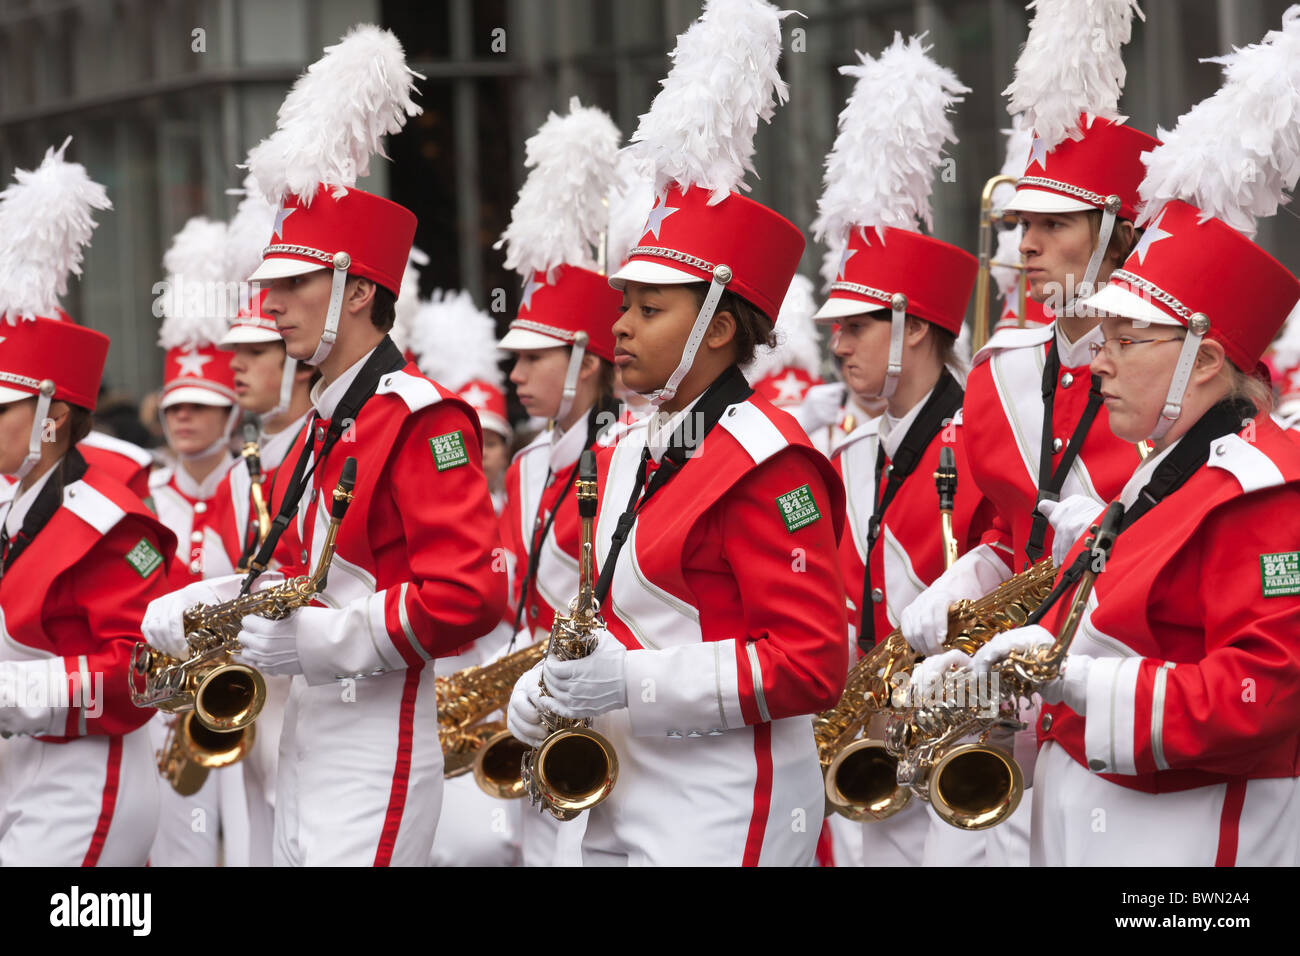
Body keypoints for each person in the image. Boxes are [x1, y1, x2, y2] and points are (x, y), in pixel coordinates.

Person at [920, 7, 1300, 865]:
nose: (1099, 360)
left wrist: (1079, 682)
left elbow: (1264, 695)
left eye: (1127, 342)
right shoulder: (1153, 482)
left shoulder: (1263, 488)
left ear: (1205, 364)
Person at [145, 24, 507, 866]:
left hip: (376, 741)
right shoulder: (321, 424)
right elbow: (305, 579)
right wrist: (216, 604)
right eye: (269, 284)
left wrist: (311, 639)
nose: (269, 305)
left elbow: (464, 596)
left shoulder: (419, 416)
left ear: (353, 291)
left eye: (293, 284)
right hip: (307, 735)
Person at [507, 0, 849, 866]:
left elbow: (811, 663)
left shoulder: (772, 461)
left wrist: (630, 683)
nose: (618, 327)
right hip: (622, 799)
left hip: (727, 812)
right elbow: (622, 617)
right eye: (623, 304)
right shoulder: (627, 444)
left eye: (649, 309)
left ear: (719, 330)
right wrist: (545, 680)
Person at [899, 0, 1155, 865]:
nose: (1028, 245)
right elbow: (1007, 534)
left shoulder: (1168, 367)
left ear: (1114, 231)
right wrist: (968, 581)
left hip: (1123, 684)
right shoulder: (1002, 367)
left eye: (1054, 226)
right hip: (1017, 700)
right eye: (1022, 226)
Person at [0, 142, 175, 865]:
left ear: (54, 415)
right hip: (25, 770)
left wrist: (13, 693)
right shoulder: (15, 504)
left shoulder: (109, 520)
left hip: (86, 782)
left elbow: (141, 672)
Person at [147, 215, 249, 867]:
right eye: (175, 405)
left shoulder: (257, 488)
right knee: (175, 852)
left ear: (231, 413)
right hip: (165, 709)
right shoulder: (144, 496)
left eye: (202, 404)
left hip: (245, 701)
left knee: (251, 850)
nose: (185, 417)